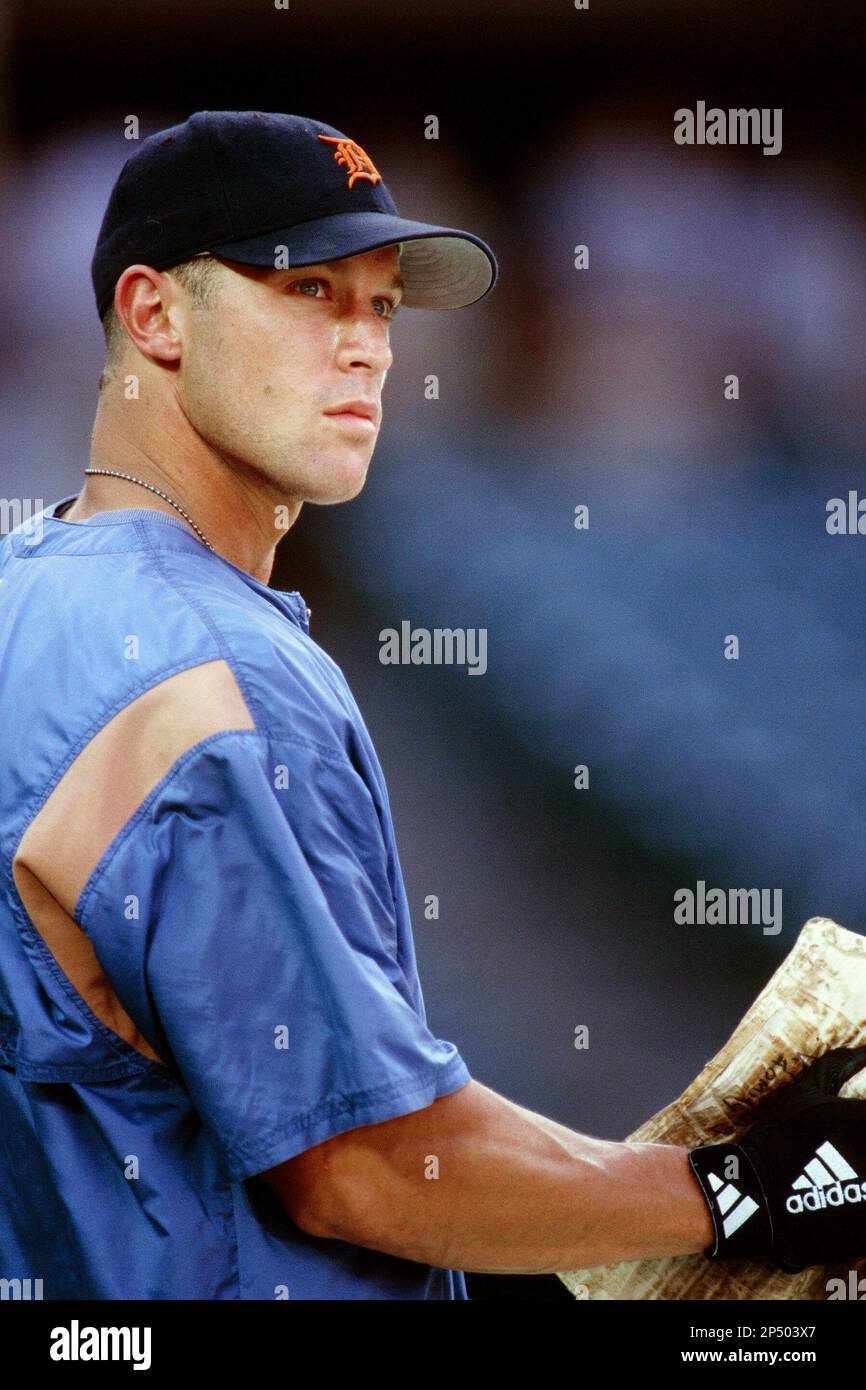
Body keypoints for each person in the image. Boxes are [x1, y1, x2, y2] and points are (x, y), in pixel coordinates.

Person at [1, 110, 864, 1301]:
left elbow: (374, 1105)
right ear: (152, 315)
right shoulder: (215, 672)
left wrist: (673, 1171)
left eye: (381, 305)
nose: (364, 347)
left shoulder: (30, 594)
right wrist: (737, 1192)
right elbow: (360, 1164)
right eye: (307, 292)